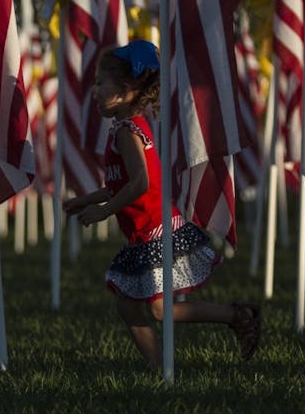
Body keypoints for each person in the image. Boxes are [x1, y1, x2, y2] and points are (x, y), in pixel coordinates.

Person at [62, 40, 260, 371]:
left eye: (100, 83)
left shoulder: (127, 132)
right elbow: (121, 183)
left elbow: (140, 185)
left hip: (155, 229)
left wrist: (103, 211)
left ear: (125, 91)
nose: (94, 91)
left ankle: (237, 315)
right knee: (129, 305)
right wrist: (88, 199)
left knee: (157, 308)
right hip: (145, 231)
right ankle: (158, 363)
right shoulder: (126, 128)